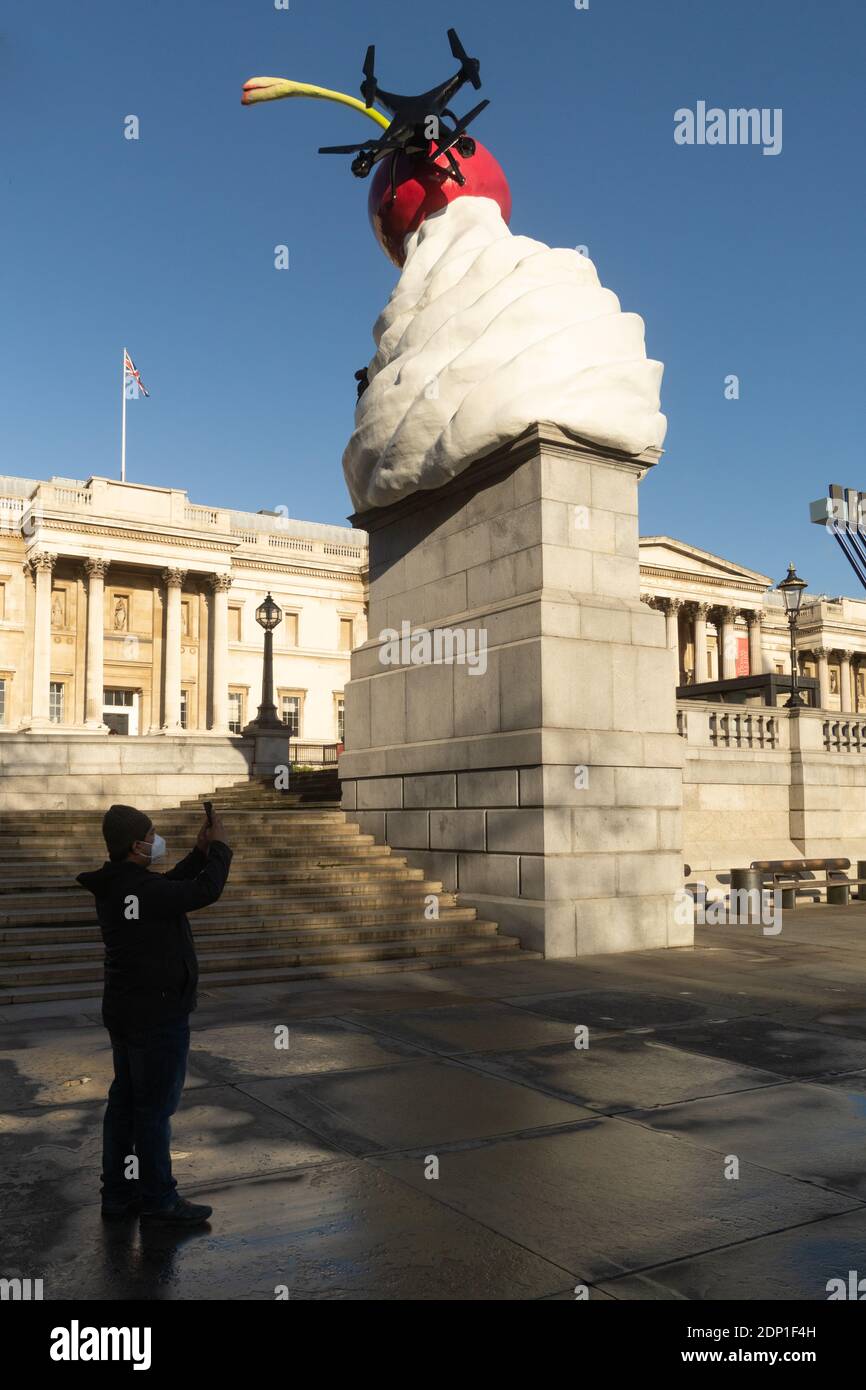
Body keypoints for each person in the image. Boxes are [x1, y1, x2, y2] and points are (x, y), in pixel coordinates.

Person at [77, 803, 232, 1226]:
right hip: (157, 1013)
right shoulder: (139, 890)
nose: (155, 839)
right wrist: (219, 848)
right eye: (150, 834)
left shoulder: (121, 886)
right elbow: (204, 891)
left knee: (126, 1103)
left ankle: (119, 1192)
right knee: (153, 1109)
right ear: (135, 845)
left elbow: (166, 889)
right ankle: (160, 1199)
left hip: (127, 1011)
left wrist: (199, 854)